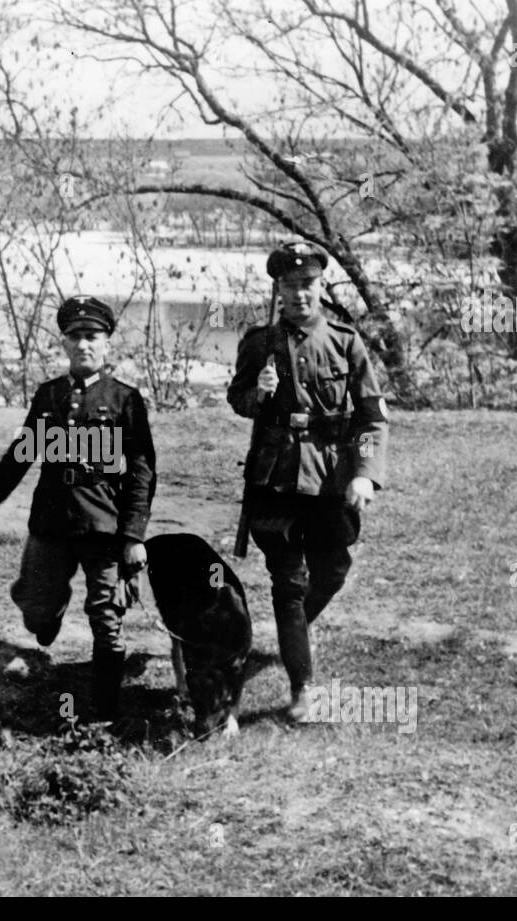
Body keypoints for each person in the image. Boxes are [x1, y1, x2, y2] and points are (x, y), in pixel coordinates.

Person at [0, 296, 156, 721]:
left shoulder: (126, 401)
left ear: (107, 344)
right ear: (63, 344)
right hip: (51, 523)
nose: (84, 345)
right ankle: (47, 614)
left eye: (92, 337)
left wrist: (134, 537)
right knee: (37, 611)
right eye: (75, 337)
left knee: (106, 617)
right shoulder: (49, 397)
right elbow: (18, 459)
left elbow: (141, 474)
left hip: (104, 525)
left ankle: (105, 713)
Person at [227, 241, 389, 716]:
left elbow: (371, 417)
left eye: (308, 285)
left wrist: (364, 475)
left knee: (333, 570)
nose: (300, 294)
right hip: (275, 478)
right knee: (289, 582)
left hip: (331, 477)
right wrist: (257, 394)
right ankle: (303, 688)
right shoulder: (259, 343)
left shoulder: (345, 340)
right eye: (291, 286)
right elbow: (238, 399)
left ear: (321, 286)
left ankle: (291, 630)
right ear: (277, 290)